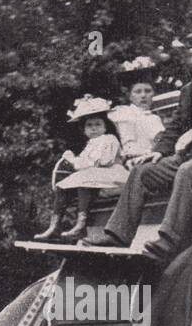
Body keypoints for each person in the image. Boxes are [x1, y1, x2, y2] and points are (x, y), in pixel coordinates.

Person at [83, 27, 192, 263]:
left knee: (187, 172)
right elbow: (175, 127)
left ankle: (167, 241)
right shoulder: (189, 90)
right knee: (142, 171)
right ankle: (117, 235)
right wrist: (157, 152)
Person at [33, 96, 127, 243]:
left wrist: (74, 161)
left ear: (105, 126)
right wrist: (75, 160)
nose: (94, 128)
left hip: (112, 174)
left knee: (83, 180)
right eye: (89, 125)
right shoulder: (90, 144)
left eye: (98, 124)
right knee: (62, 186)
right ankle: (55, 226)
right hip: (96, 175)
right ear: (84, 129)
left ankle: (81, 225)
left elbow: (103, 161)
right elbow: (84, 163)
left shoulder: (109, 139)